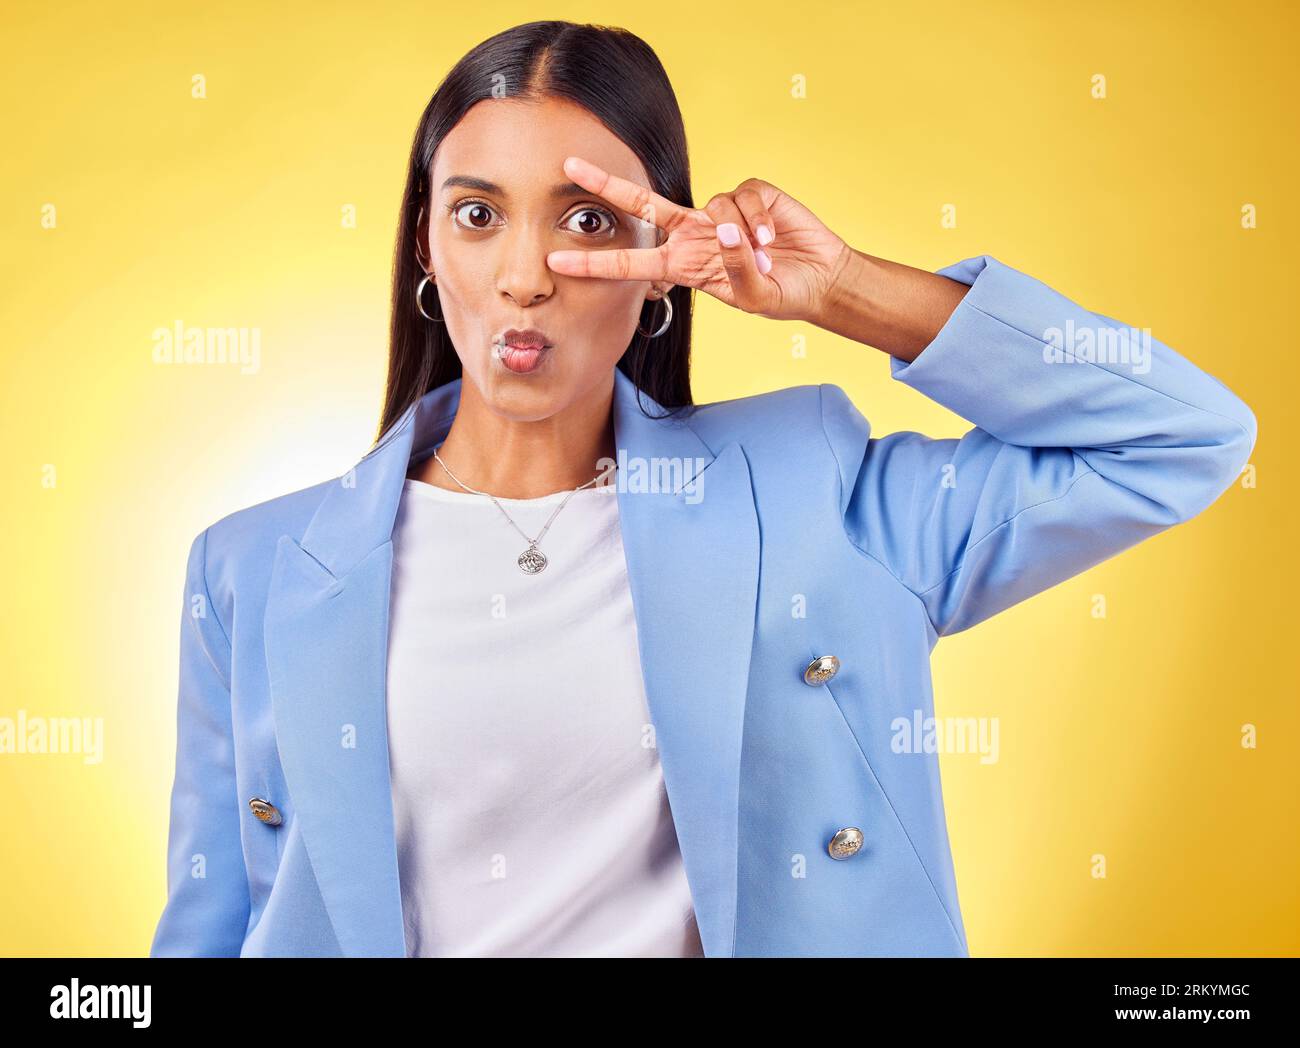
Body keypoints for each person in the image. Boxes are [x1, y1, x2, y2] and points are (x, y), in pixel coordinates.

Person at [150, 20, 1255, 958]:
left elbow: (1179, 437)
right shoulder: (256, 571)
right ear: (426, 252)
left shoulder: (809, 496)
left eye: (587, 221)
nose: (525, 275)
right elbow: (207, 931)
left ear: (666, 259)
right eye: (477, 213)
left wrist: (841, 291)